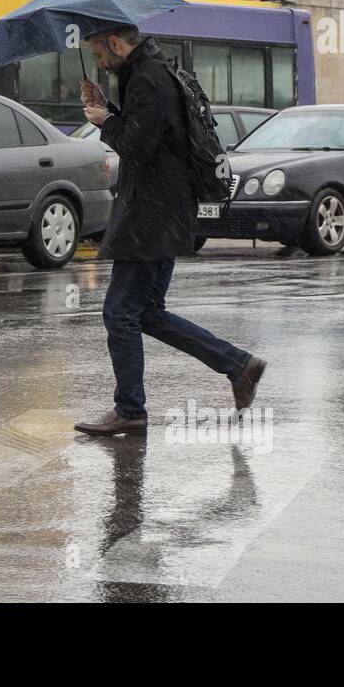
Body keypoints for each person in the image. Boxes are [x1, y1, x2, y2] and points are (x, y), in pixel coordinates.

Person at [74, 27, 266, 436]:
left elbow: (139, 148)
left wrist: (105, 119)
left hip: (150, 214)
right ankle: (238, 366)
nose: (98, 62)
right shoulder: (150, 72)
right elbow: (150, 136)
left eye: (97, 52)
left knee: (120, 312)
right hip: (163, 211)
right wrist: (110, 109)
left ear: (115, 43)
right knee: (146, 313)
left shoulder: (148, 78)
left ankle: (130, 410)